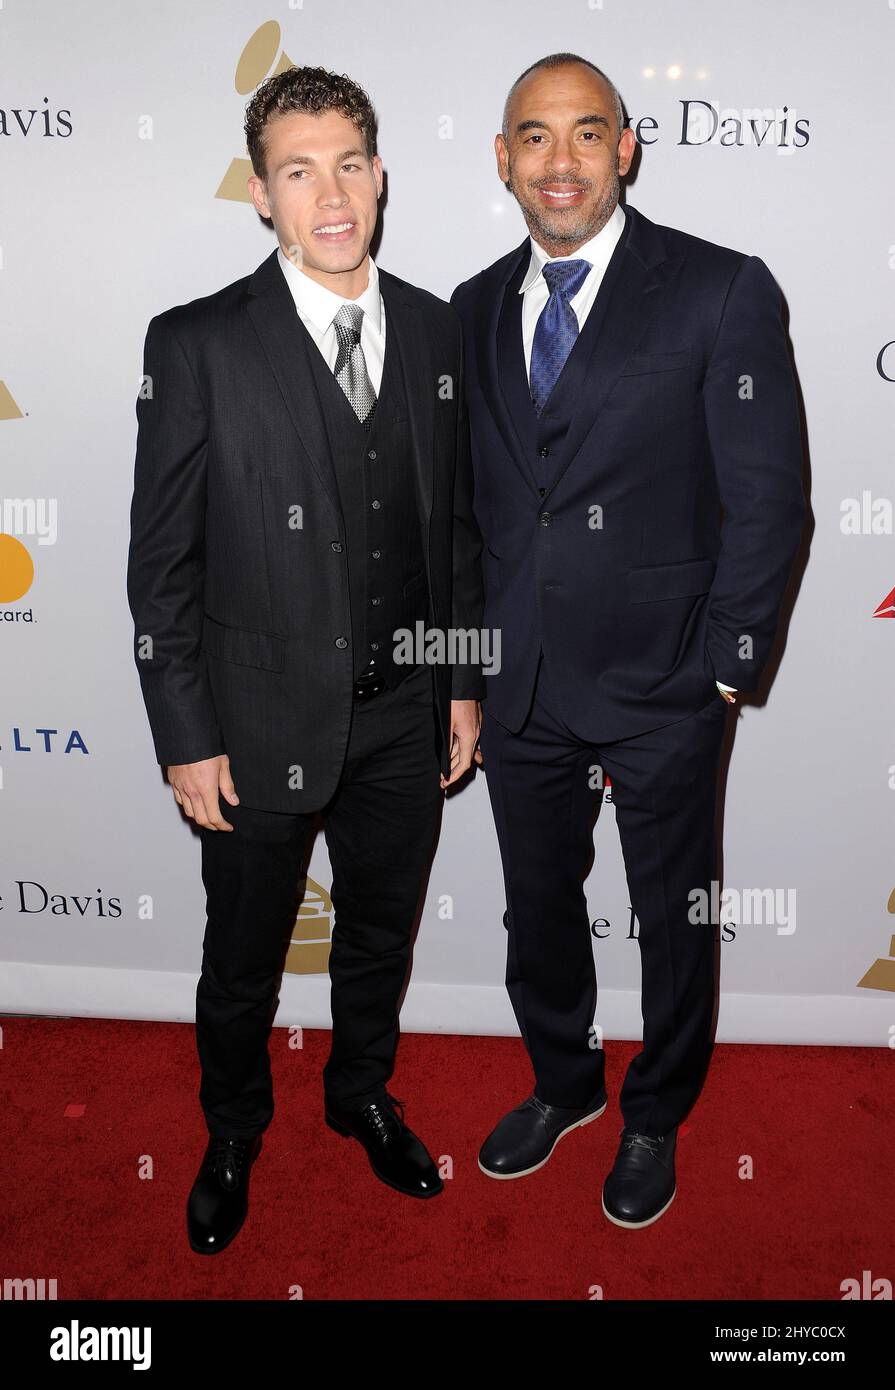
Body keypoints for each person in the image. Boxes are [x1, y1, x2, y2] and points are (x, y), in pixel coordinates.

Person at [127, 64, 483, 1255]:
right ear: (261, 197)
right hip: (256, 722)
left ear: (380, 176)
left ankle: (359, 1095)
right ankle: (232, 1127)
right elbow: (161, 563)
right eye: (297, 170)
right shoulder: (197, 344)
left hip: (403, 715)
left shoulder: (438, 327)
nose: (329, 194)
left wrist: (462, 681)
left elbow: (457, 530)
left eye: (347, 164)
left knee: (380, 935)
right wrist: (186, 733)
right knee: (242, 959)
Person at [451, 52, 805, 1228]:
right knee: (535, 903)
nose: (561, 163)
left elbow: (769, 502)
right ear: (502, 158)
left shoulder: (716, 289)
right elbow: (467, 514)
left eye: (586, 134)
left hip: (665, 683)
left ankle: (654, 1109)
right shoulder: (466, 309)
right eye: (535, 138)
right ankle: (565, 1083)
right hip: (519, 681)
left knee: (672, 912)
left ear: (626, 149)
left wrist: (724, 669)